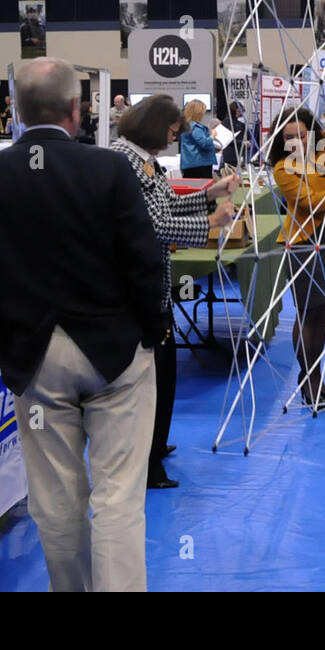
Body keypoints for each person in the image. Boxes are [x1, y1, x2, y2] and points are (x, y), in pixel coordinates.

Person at [0, 57, 165, 592]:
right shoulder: (108, 169)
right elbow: (144, 261)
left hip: (36, 358)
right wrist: (152, 332)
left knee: (55, 501)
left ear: (16, 111)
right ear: (77, 108)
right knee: (119, 498)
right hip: (115, 354)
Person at [112, 96, 239, 489]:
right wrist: (210, 222)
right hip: (139, 288)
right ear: (153, 127)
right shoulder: (127, 163)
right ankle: (149, 461)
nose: (172, 141)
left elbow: (166, 204)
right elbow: (155, 224)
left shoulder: (139, 160)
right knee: (156, 375)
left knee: (163, 374)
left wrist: (209, 194)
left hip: (152, 284)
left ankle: (156, 445)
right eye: (170, 133)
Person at [269, 77, 325, 408]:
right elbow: (311, 203)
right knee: (308, 313)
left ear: (311, 134)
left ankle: (313, 376)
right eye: (289, 137)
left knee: (323, 311)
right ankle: (311, 381)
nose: (295, 140)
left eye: (301, 135)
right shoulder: (282, 168)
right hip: (303, 243)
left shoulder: (320, 152)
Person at [179, 99, 218, 178]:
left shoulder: (187, 126)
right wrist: (212, 136)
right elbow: (204, 143)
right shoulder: (195, 127)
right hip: (200, 165)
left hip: (190, 163)